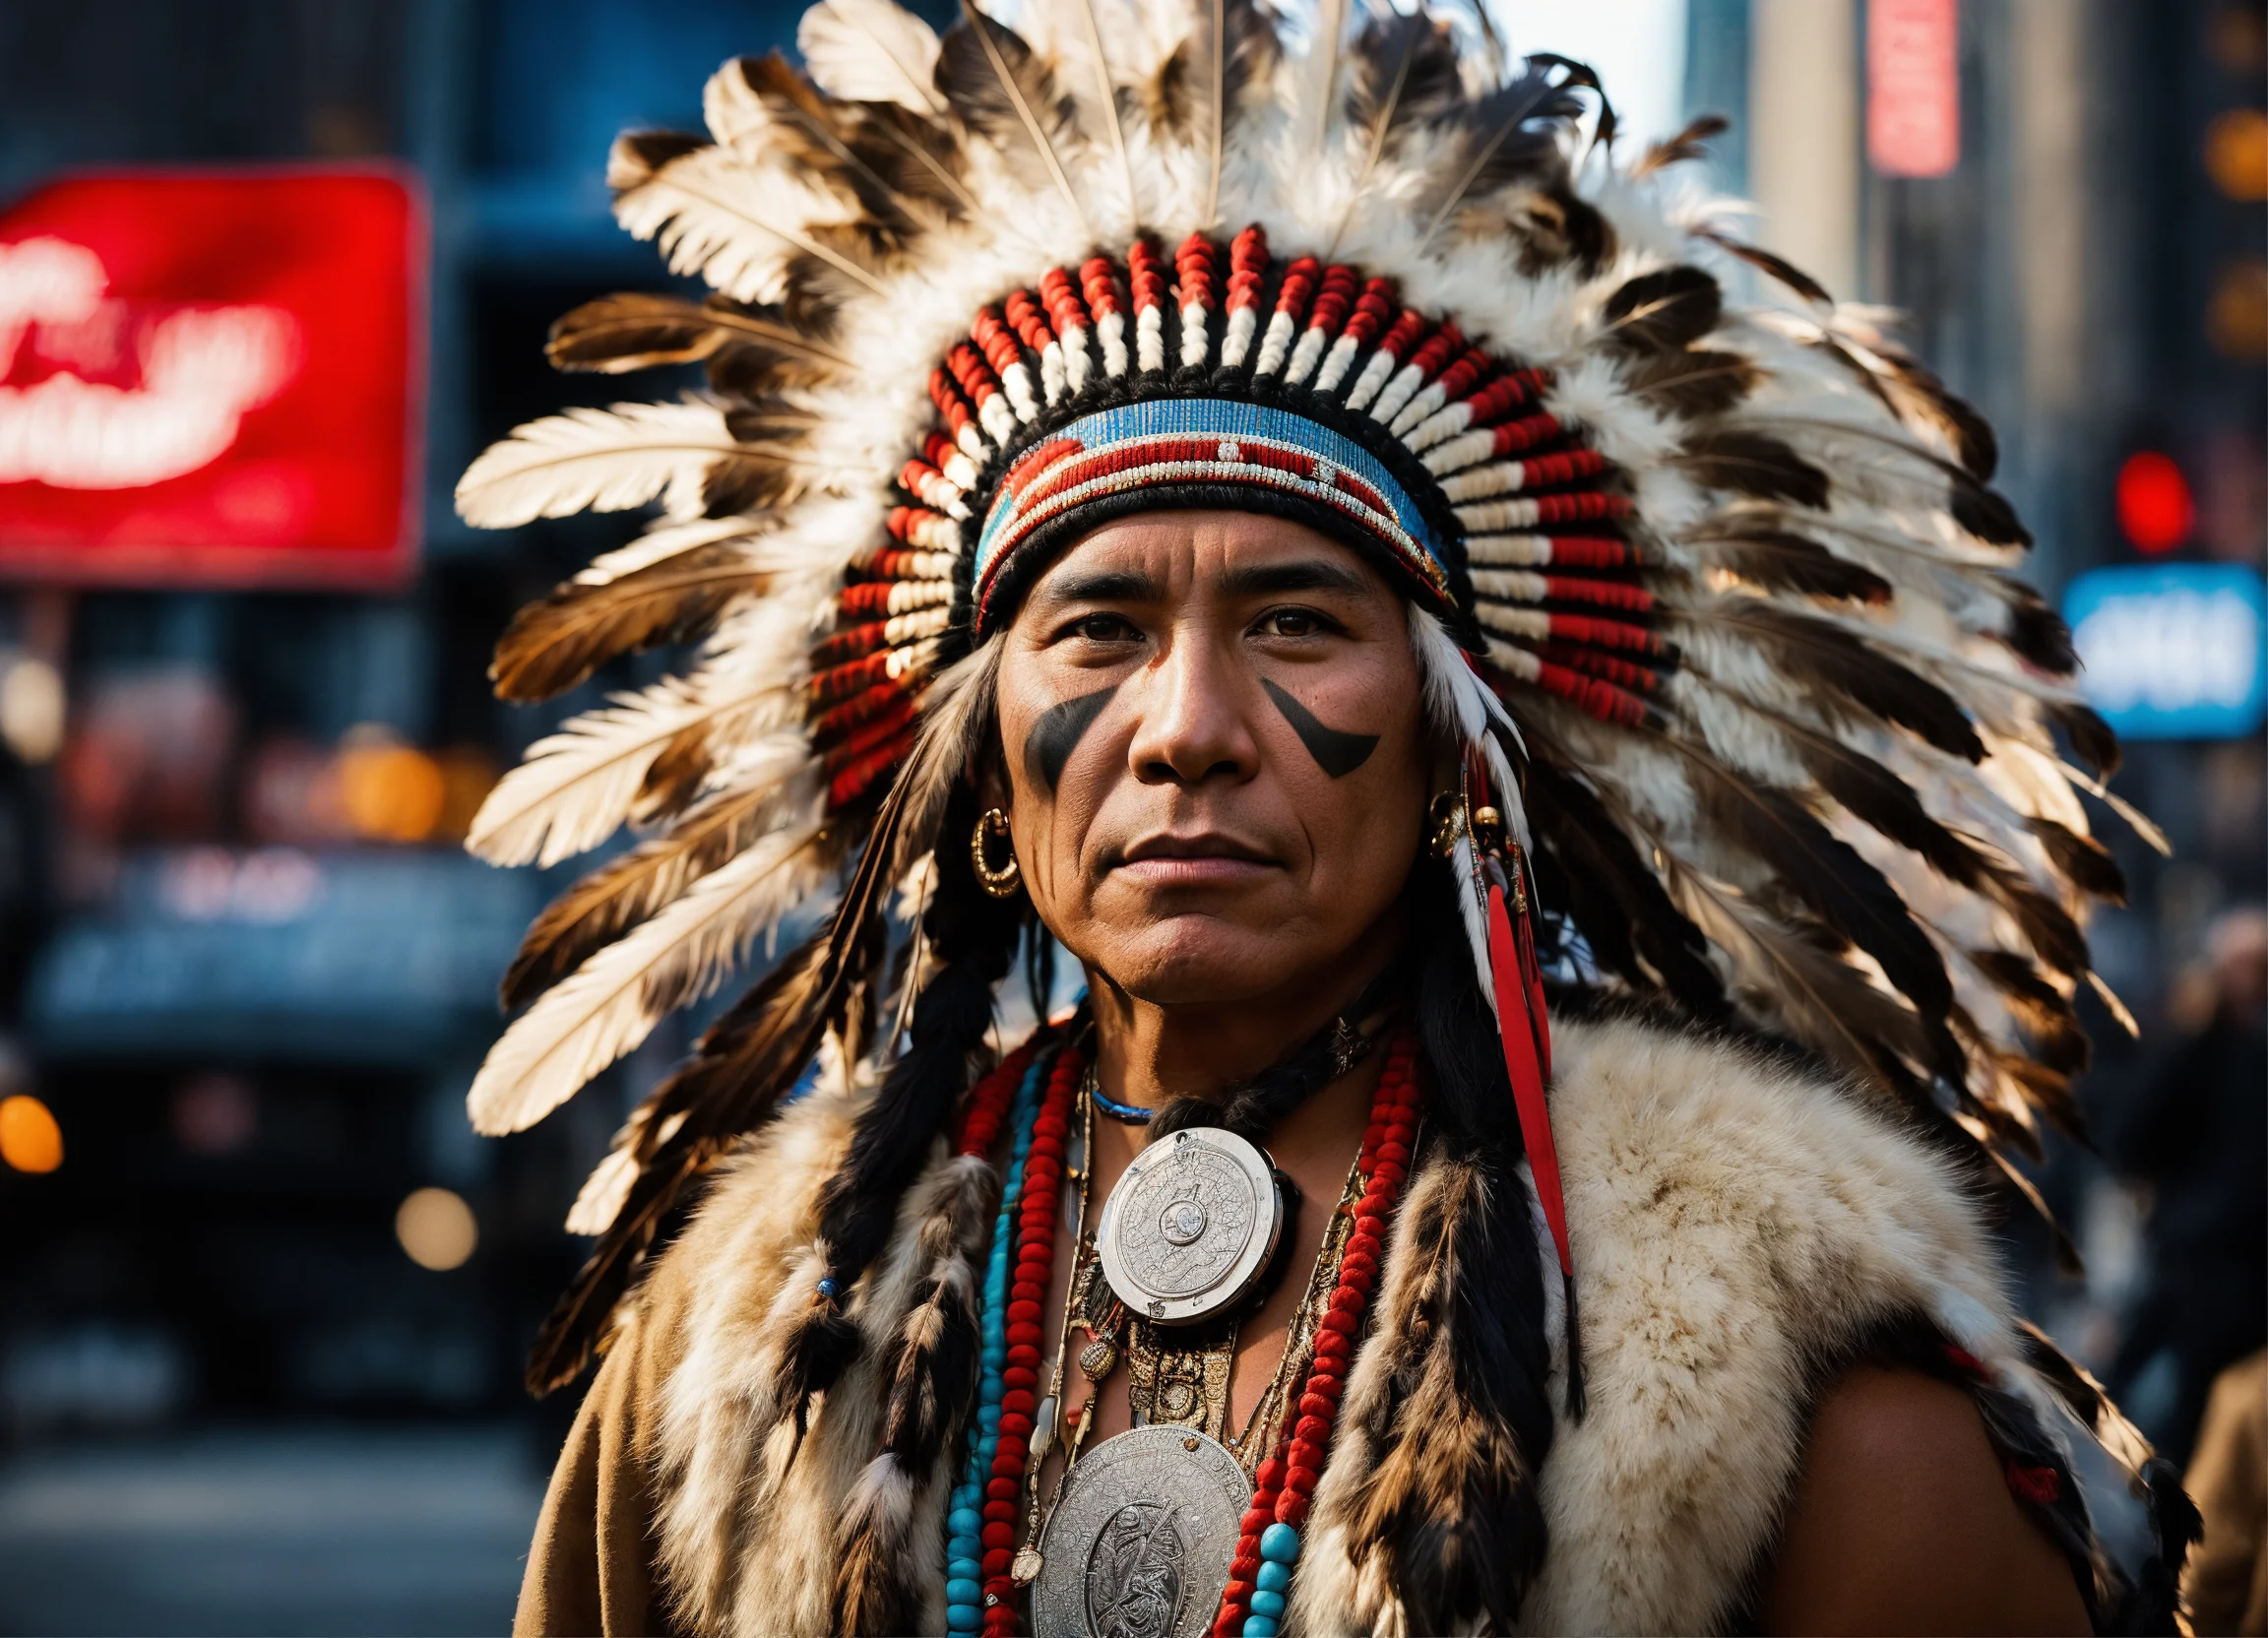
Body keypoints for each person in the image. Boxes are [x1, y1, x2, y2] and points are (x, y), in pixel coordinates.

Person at [452, 2, 2192, 1630]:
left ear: (1459, 750)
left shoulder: (1774, 1366)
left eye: (1295, 623)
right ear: (980, 760)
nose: (1188, 730)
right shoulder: (755, 1332)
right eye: (1097, 630)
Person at [2109, 907, 2268, 1465]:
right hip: (2199, 1264)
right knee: (2144, 1397)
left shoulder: (2236, 1051)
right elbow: (2136, 1137)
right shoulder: (2203, 1047)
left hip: (2228, 1270)